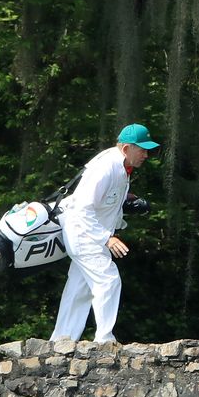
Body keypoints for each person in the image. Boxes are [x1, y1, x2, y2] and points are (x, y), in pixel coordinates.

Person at [52, 123, 160, 343]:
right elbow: (82, 208)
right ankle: (104, 340)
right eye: (142, 150)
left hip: (89, 233)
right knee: (108, 280)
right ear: (127, 148)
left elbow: (105, 202)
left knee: (79, 291)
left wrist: (126, 203)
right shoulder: (106, 167)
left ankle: (61, 341)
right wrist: (107, 238)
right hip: (84, 233)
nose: (146, 155)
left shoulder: (121, 166)